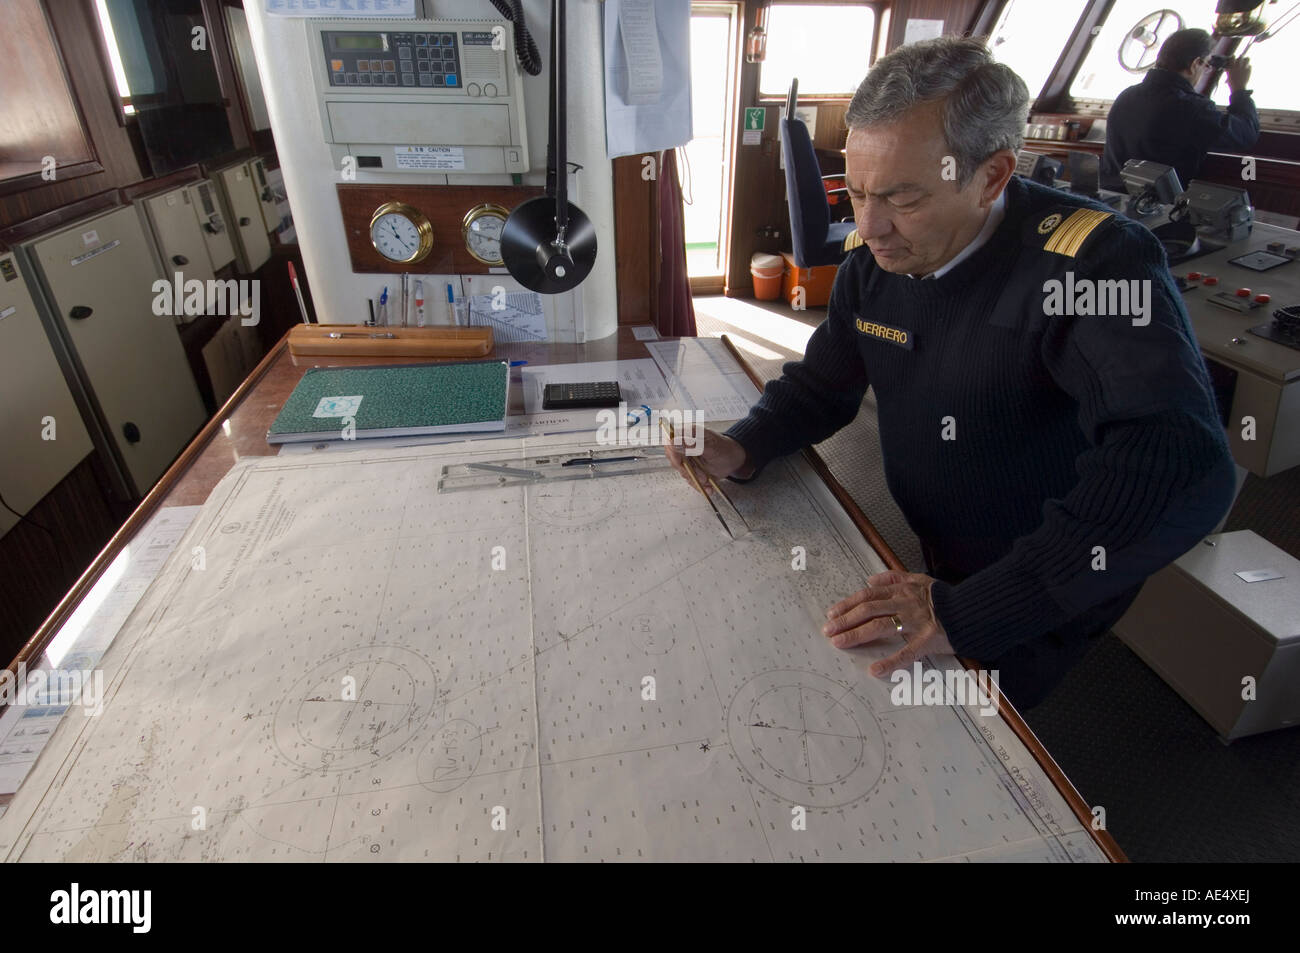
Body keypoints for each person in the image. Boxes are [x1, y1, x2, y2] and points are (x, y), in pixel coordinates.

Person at [664, 37, 1237, 710]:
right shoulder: (872, 266)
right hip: (933, 551)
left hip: (1046, 565)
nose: (869, 228)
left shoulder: (1090, 266)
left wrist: (977, 610)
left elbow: (1181, 465)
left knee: (973, 734)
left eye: (902, 199)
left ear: (992, 176)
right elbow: (824, 384)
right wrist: (747, 443)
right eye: (856, 192)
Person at [1100, 28, 1259, 192]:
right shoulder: (1189, 107)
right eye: (1206, 65)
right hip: (1152, 208)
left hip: (1111, 200)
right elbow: (1245, 134)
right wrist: (1239, 89)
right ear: (1195, 64)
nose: (1205, 71)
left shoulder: (1127, 95)